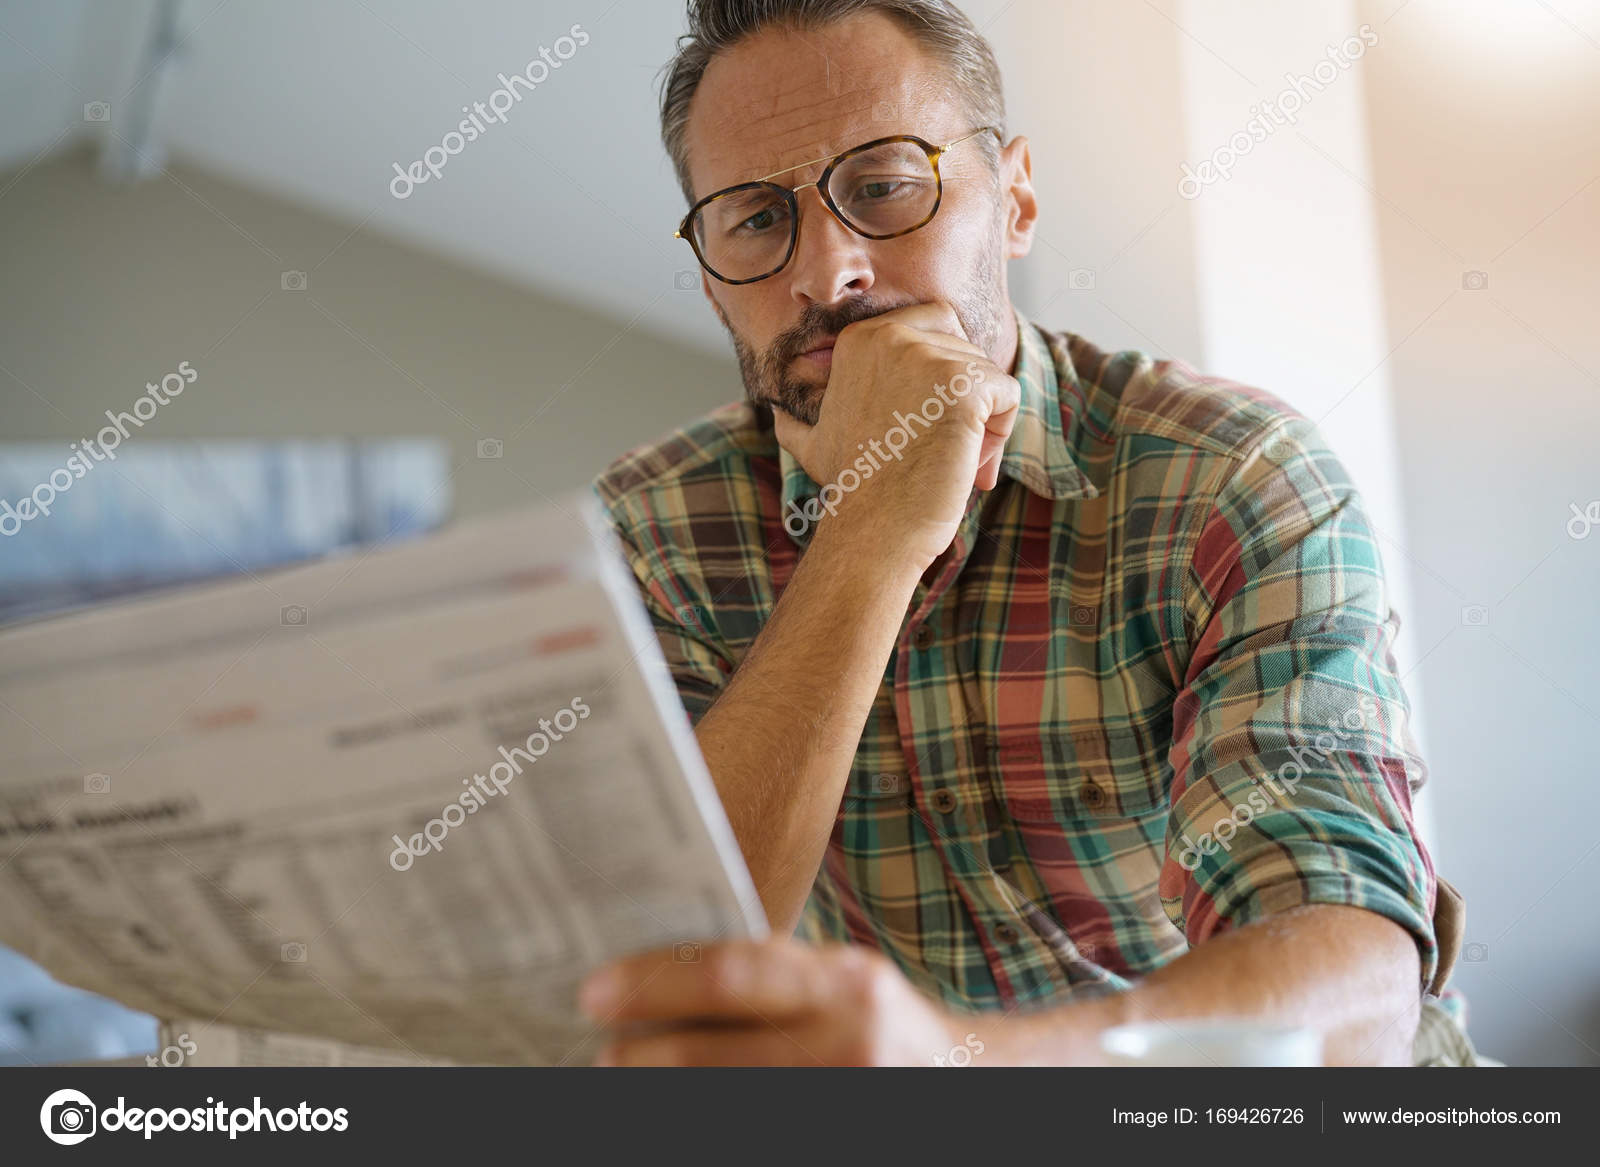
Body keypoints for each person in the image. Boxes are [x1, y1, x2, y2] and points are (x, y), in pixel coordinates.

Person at [580, 0, 1474, 1066]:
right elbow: (662, 972)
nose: (826, 274)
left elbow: (1351, 986)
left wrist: (957, 1075)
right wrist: (869, 536)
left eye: (883, 187)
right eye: (757, 220)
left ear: (1015, 199)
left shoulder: (1228, 477)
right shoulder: (648, 535)